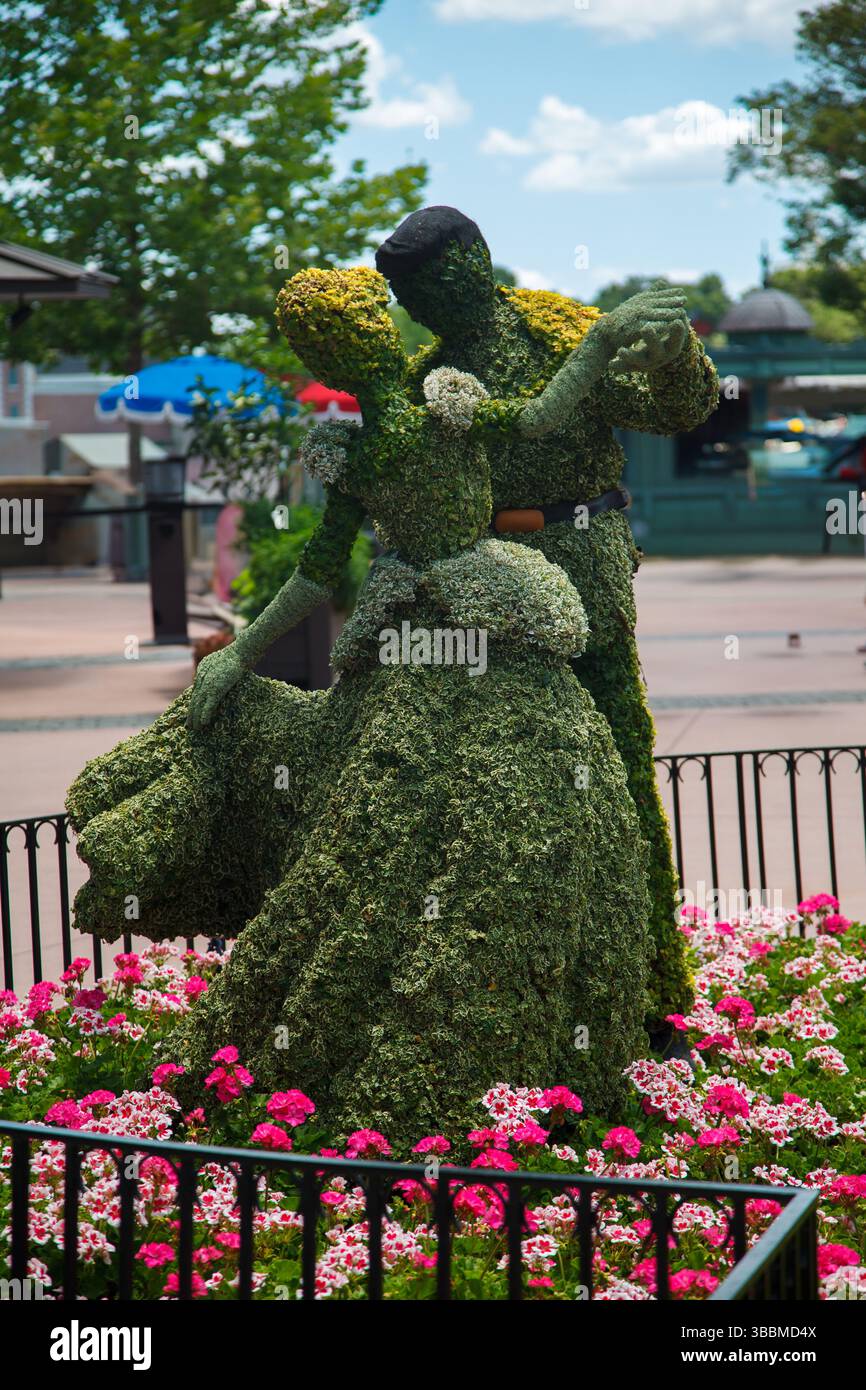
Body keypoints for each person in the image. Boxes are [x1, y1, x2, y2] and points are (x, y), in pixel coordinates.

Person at [375, 206, 720, 1035]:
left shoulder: (561, 329)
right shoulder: (429, 381)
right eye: (411, 294)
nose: (426, 306)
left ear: (479, 259)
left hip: (583, 561)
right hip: (487, 592)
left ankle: (650, 991)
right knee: (500, 785)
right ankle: (523, 995)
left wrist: (678, 359)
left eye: (435, 282)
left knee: (620, 765)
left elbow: (681, 410)